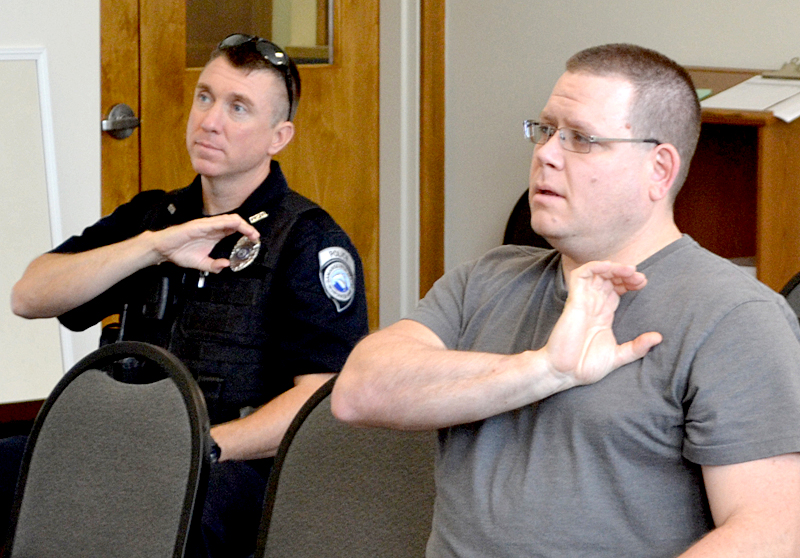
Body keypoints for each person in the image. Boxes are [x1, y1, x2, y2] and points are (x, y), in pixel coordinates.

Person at [331, 43, 800, 558]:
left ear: (659, 169)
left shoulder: (734, 318)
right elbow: (358, 392)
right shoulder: (488, 279)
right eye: (547, 129)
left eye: (582, 139)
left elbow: (772, 532)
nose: (546, 154)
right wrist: (546, 371)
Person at [7, 33, 368, 558]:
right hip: (124, 443)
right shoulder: (155, 218)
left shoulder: (309, 242)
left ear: (278, 136)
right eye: (204, 97)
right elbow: (29, 294)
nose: (210, 120)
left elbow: (323, 396)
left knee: (164, 513)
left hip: (234, 464)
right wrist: (151, 248)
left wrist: (201, 447)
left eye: (238, 107)